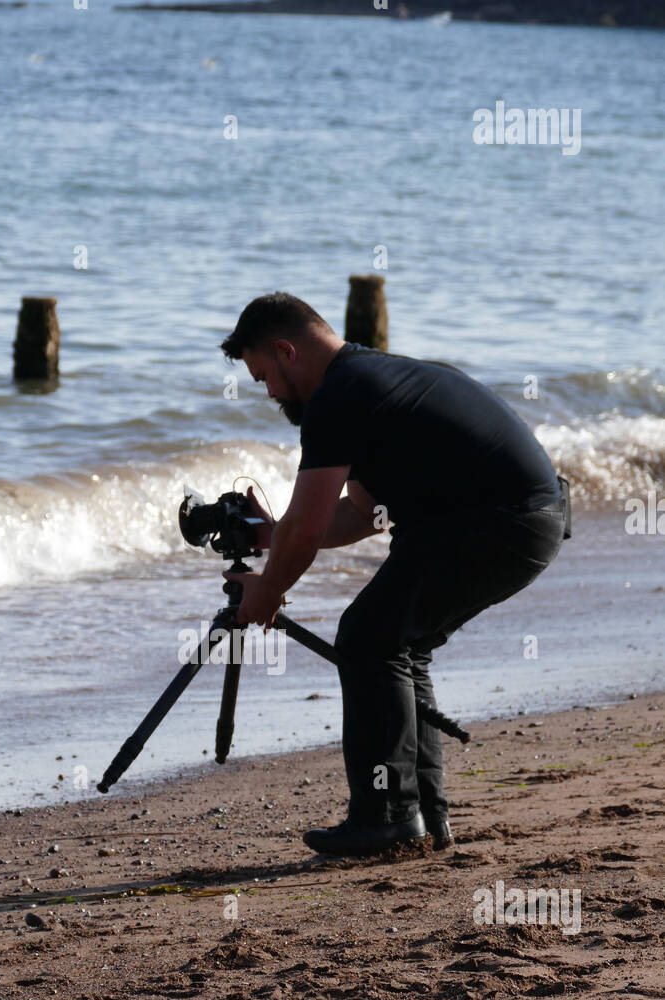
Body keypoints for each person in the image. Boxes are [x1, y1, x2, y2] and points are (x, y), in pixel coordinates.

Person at [219, 292, 565, 856]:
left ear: (287, 351)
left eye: (264, 378)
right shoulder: (370, 381)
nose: (270, 394)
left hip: (501, 521)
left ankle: (385, 817)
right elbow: (360, 514)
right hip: (521, 519)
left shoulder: (337, 397)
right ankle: (424, 814)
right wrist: (269, 535)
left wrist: (268, 591)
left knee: (367, 637)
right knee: (396, 644)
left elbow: (307, 533)